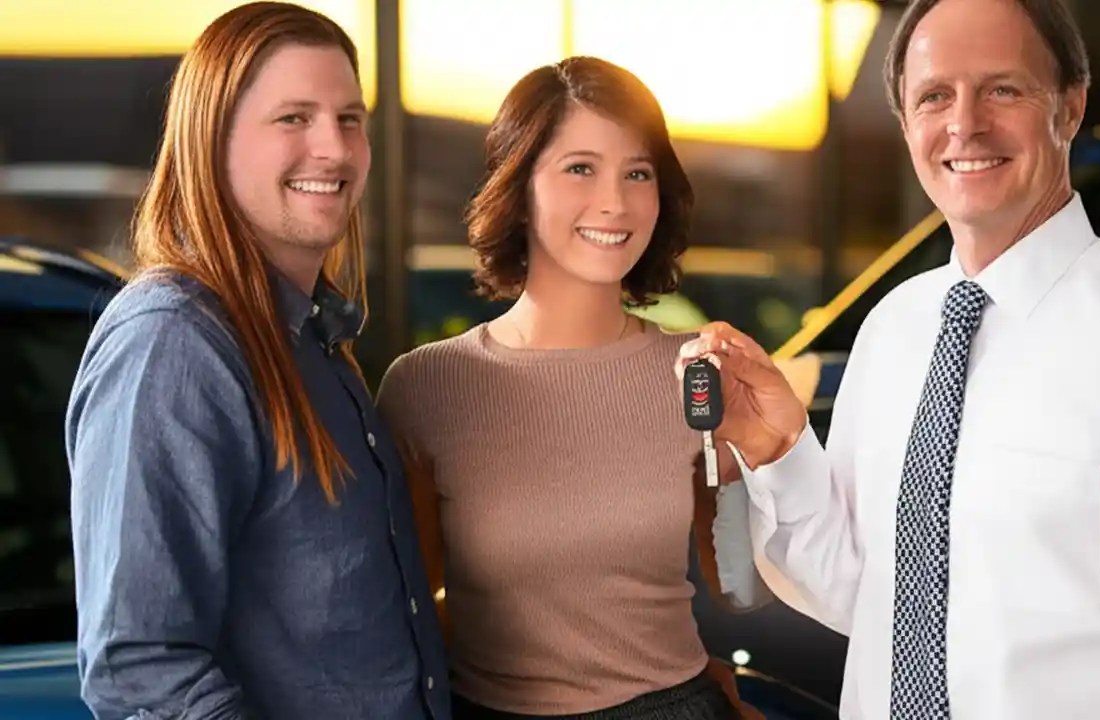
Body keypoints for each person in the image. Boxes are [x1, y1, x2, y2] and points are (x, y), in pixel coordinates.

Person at [677, 0, 1100, 718]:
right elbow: (866, 598)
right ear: (907, 124)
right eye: (935, 96)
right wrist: (777, 449)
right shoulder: (892, 331)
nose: (965, 123)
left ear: (1070, 107)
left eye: (1002, 89)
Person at [66, 3, 449, 718]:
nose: (334, 149)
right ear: (212, 142)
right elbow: (141, 669)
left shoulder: (315, 343)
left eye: (350, 119)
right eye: (293, 118)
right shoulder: (175, 342)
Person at [377, 56, 769, 720]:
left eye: (637, 173)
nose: (615, 202)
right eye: (580, 168)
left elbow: (741, 589)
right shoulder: (427, 386)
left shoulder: (695, 372)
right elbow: (409, 604)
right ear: (518, 187)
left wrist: (752, 460)